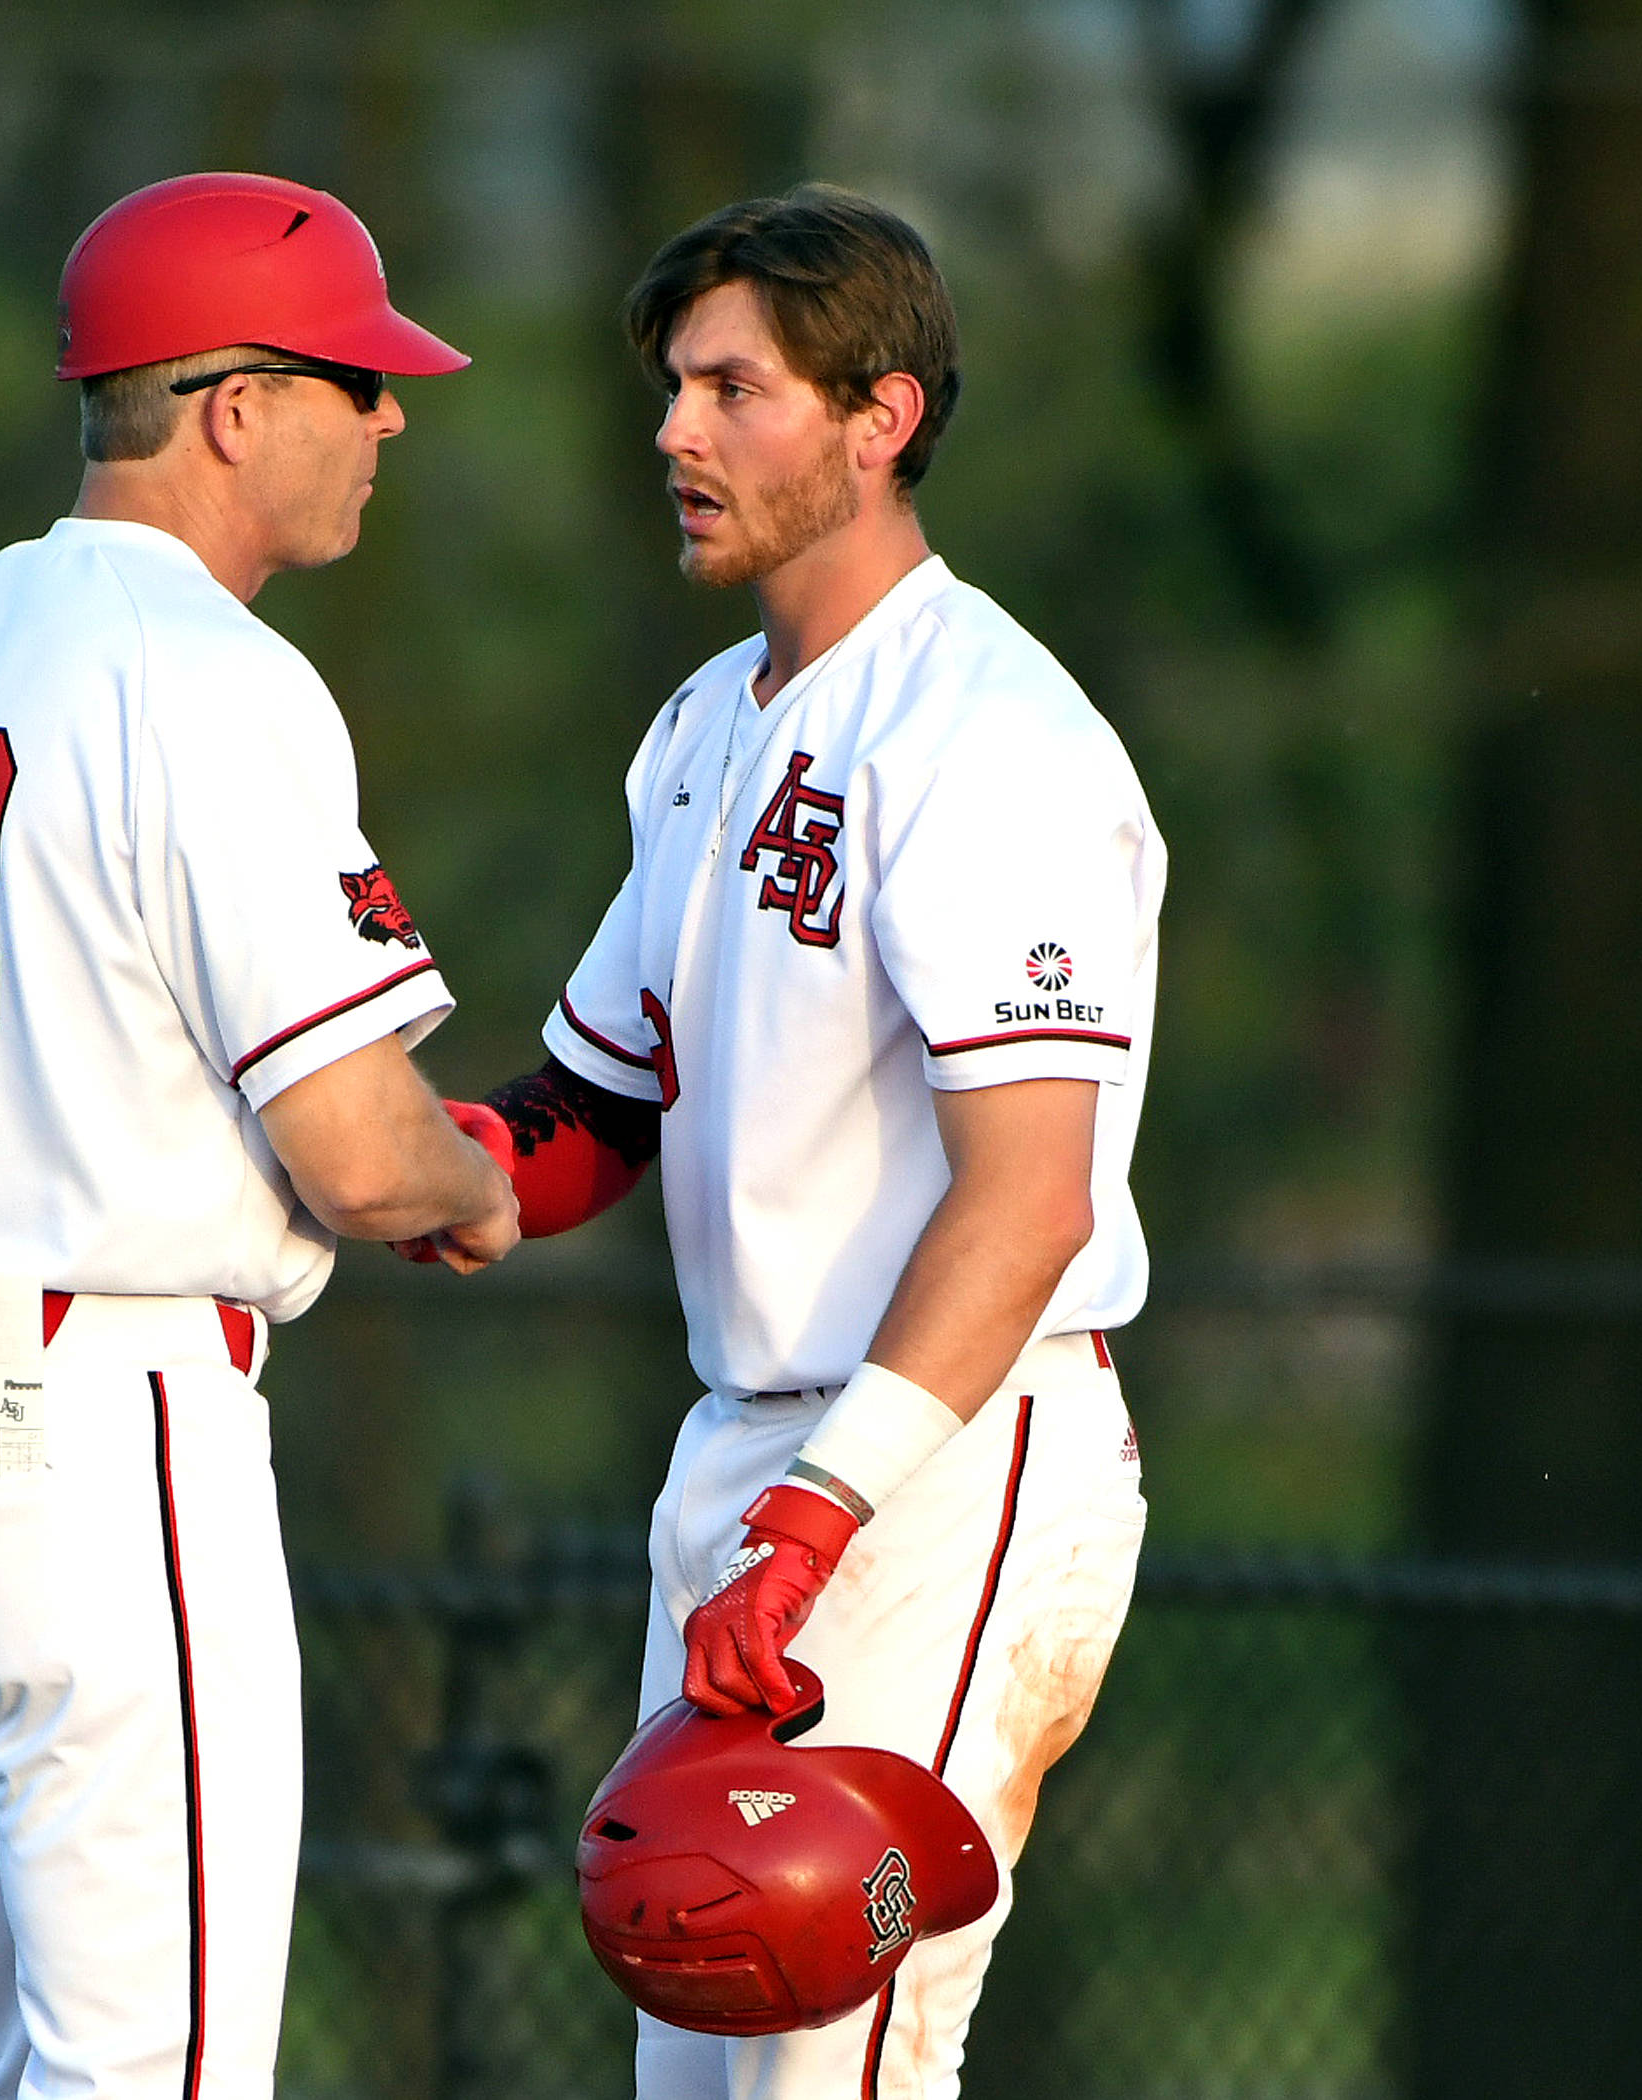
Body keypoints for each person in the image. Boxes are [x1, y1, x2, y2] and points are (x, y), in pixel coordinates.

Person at [0, 171, 519, 2100]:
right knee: (154, 2074)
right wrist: (482, 1180)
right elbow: (363, 1152)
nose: (388, 415)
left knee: (57, 2063)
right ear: (233, 404)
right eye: (353, 378)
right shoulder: (211, 681)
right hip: (106, 1414)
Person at [452, 184, 1164, 2100]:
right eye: (674, 389)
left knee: (832, 2067)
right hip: (755, 1482)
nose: (674, 432)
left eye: (733, 388)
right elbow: (591, 1108)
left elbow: (1031, 1199)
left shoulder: (982, 732)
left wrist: (819, 1510)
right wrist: (346, 1149)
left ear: (883, 419)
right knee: (705, 2057)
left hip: (936, 1466)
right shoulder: (705, 721)